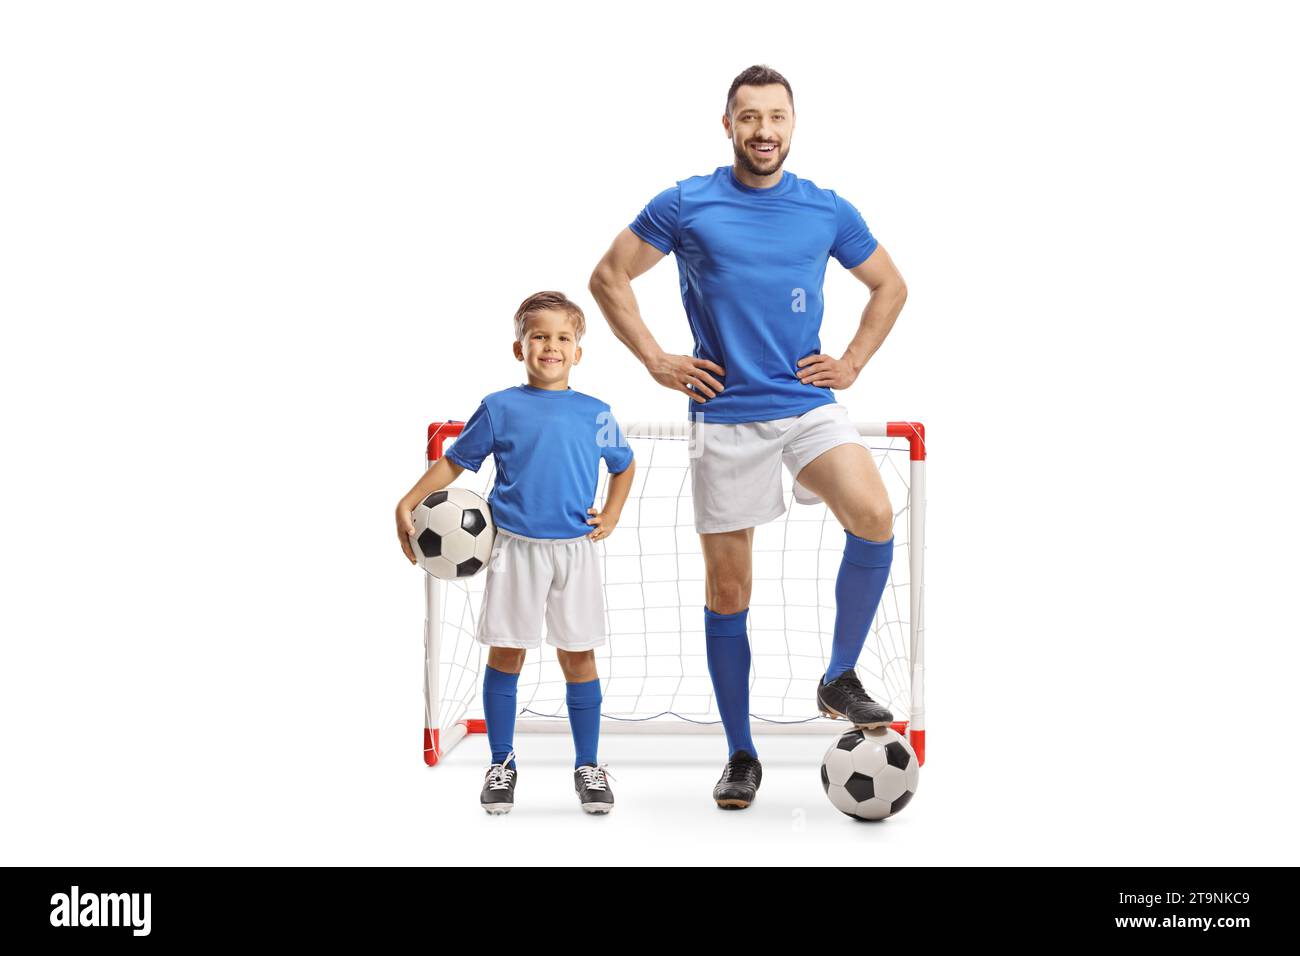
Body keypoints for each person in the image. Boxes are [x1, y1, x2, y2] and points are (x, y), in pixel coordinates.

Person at [588, 65, 909, 810]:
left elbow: (890, 285)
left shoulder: (826, 209)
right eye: (749, 117)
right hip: (725, 416)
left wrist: (853, 360)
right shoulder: (686, 202)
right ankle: (740, 752)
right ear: (727, 125)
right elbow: (609, 277)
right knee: (729, 590)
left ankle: (840, 675)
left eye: (777, 117)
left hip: (806, 403)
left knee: (874, 513)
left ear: (793, 126)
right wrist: (657, 360)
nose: (764, 130)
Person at [395, 291, 636, 814]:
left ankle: (588, 766)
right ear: (518, 347)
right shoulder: (499, 407)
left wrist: (612, 512)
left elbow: (624, 464)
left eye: (563, 338)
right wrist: (409, 500)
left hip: (574, 552)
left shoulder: (597, 412)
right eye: (539, 336)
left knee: (580, 656)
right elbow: (456, 462)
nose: (550, 345)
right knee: (506, 652)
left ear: (578, 352)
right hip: (514, 551)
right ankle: (501, 763)